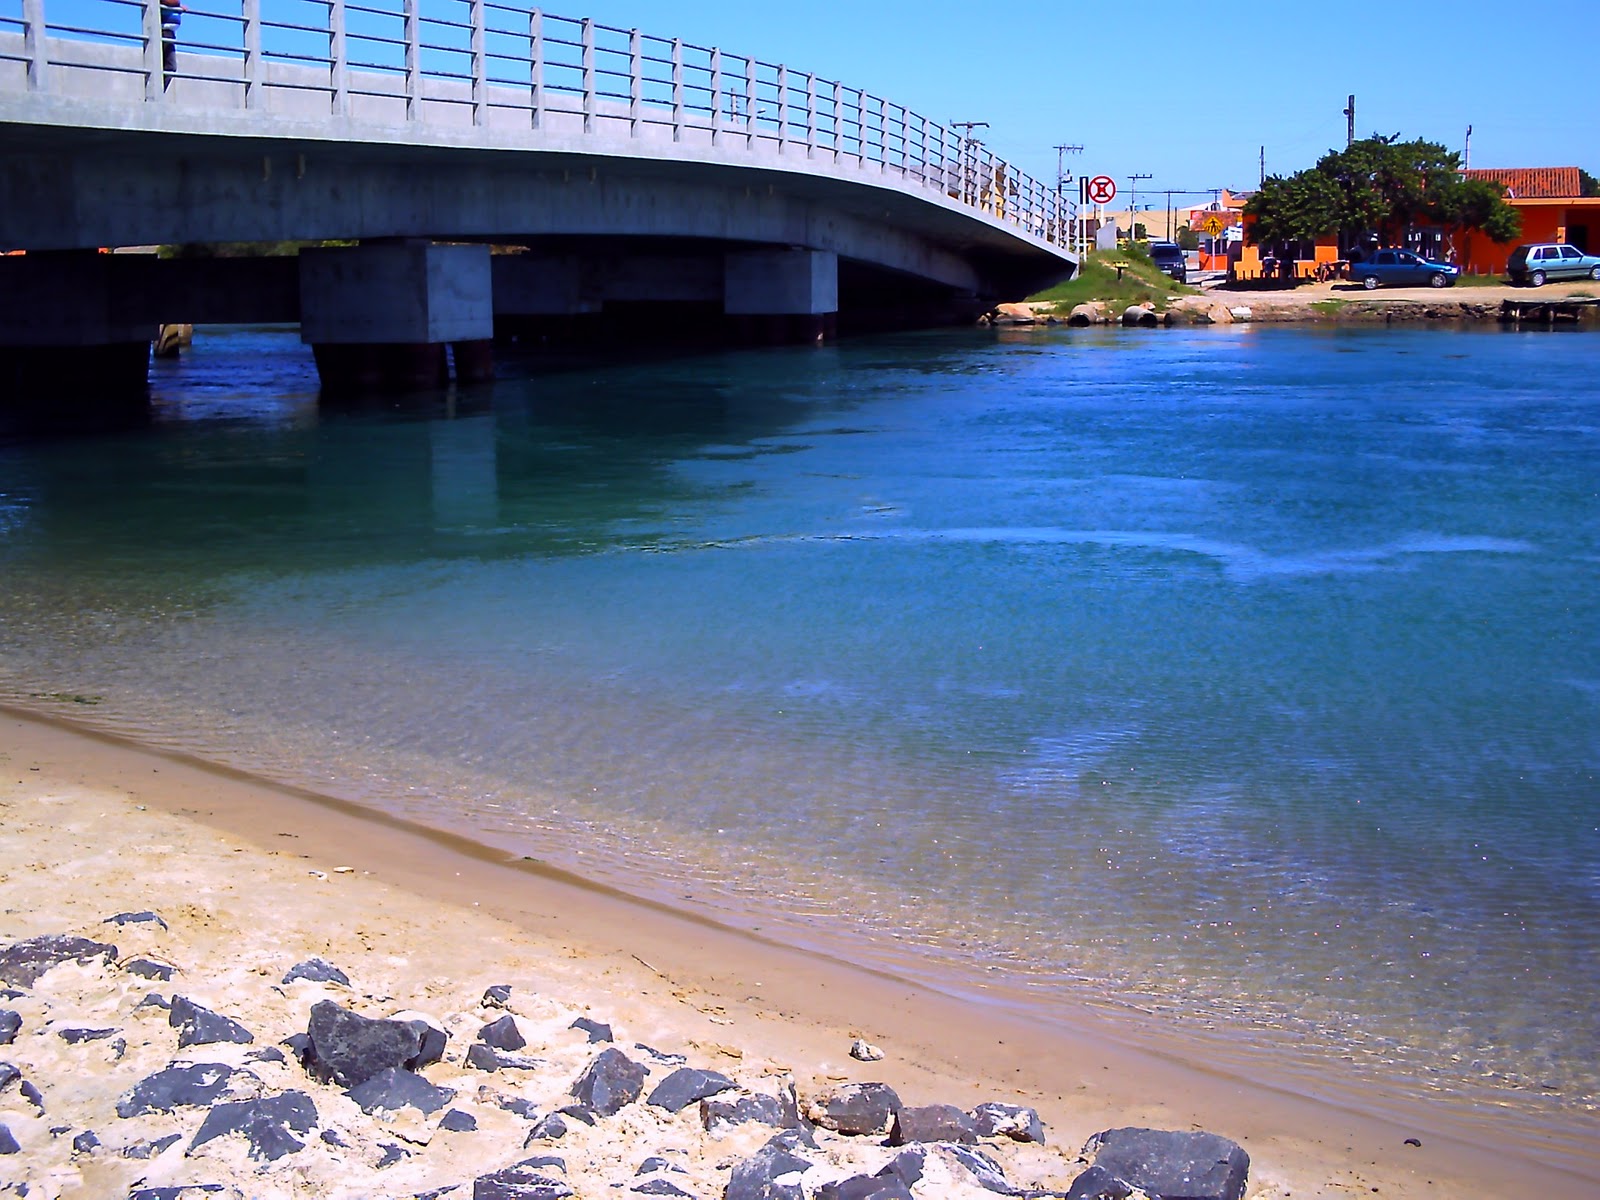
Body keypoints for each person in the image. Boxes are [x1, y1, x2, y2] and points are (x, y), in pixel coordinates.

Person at [160, 0, 187, 88]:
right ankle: (158, 90)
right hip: (164, 32)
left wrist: (178, 9)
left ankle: (159, 90)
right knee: (170, 66)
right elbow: (170, 1)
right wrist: (178, 6)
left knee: (169, 66)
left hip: (169, 33)